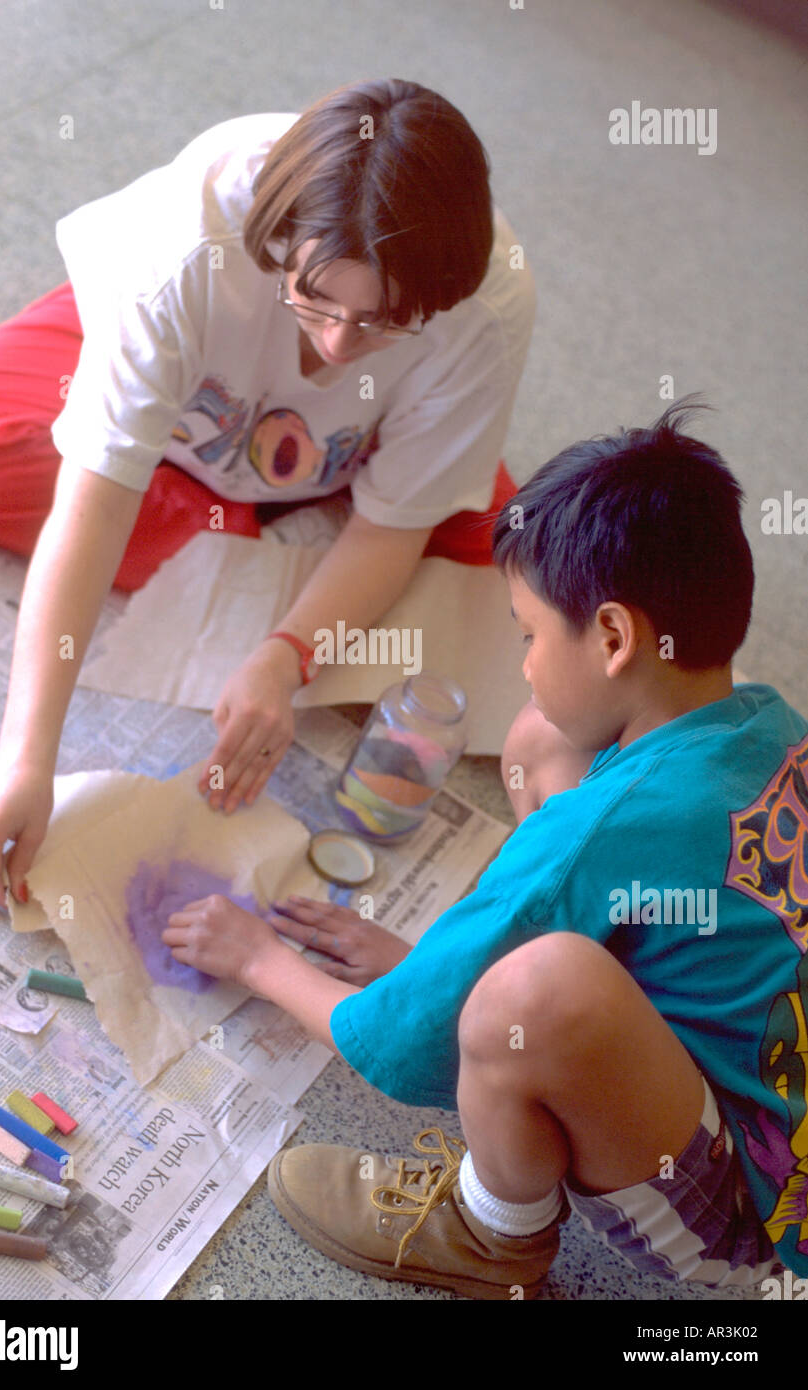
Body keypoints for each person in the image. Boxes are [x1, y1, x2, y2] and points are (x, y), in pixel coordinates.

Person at [160, 401, 808, 1299]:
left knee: (535, 996)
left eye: (530, 635)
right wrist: (428, 964)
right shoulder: (768, 718)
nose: (526, 662)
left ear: (614, 637)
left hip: (766, 1234)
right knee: (543, 741)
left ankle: (490, 1236)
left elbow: (397, 1045)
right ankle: (479, 972)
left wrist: (260, 957)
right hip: (767, 1083)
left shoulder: (607, 828)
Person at [0, 78, 535, 905]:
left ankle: (234, 529)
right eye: (314, 297)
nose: (335, 344)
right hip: (188, 420)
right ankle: (260, 526)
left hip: (342, 465)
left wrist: (283, 656)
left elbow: (392, 530)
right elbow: (97, 499)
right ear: (275, 234)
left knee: (530, 596)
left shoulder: (486, 306)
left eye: (384, 320)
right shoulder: (183, 246)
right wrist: (25, 760)